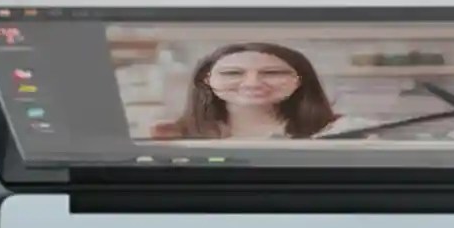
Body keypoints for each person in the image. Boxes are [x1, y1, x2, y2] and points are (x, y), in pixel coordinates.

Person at [149, 42, 376, 140]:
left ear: (300, 81)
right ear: (206, 80)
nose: (253, 83)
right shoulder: (168, 135)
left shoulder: (348, 131)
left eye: (272, 73)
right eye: (233, 73)